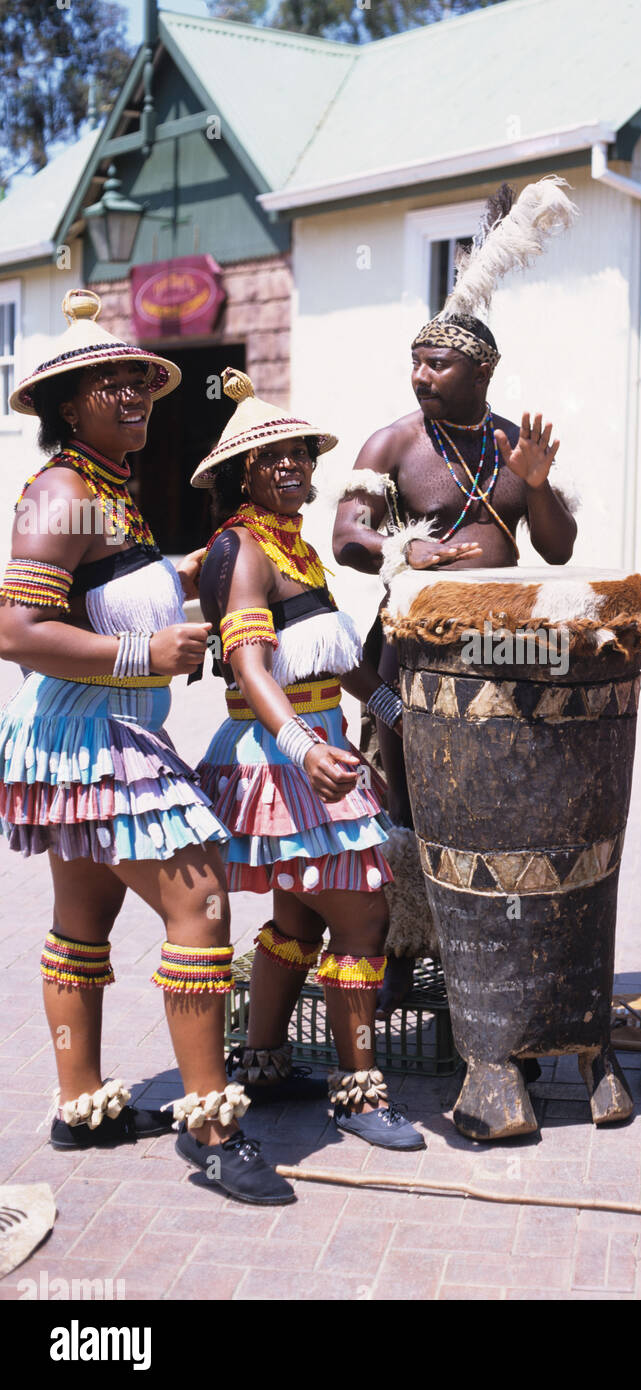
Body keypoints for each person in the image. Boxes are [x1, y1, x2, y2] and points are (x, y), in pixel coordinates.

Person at [0, 290, 292, 1204]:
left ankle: (79, 1103)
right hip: (99, 733)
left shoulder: (108, 491)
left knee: (83, 922)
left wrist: (195, 566)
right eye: (109, 384)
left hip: (93, 733)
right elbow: (13, 628)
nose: (132, 396)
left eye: (140, 383)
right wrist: (144, 651)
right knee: (200, 908)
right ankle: (212, 1125)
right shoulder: (63, 492)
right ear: (66, 404)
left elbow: (113, 583)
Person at [332, 179, 579, 1006]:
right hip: (403, 659)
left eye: (436, 362)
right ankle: (401, 947)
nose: (419, 375)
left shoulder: (513, 443)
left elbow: (557, 548)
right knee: (404, 784)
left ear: (481, 369)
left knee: (491, 795)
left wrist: (536, 487)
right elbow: (346, 537)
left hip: (500, 654)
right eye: (414, 360)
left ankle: (486, 943)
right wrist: (403, 546)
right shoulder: (392, 443)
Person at [192, 369, 423, 1150]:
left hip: (311, 743)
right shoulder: (241, 549)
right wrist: (302, 747)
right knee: (362, 916)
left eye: (300, 454)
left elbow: (341, 663)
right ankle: (359, 1095)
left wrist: (398, 715)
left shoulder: (298, 549)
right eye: (273, 458)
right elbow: (253, 666)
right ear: (240, 474)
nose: (293, 467)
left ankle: (260, 1064)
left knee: (296, 910)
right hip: (280, 754)